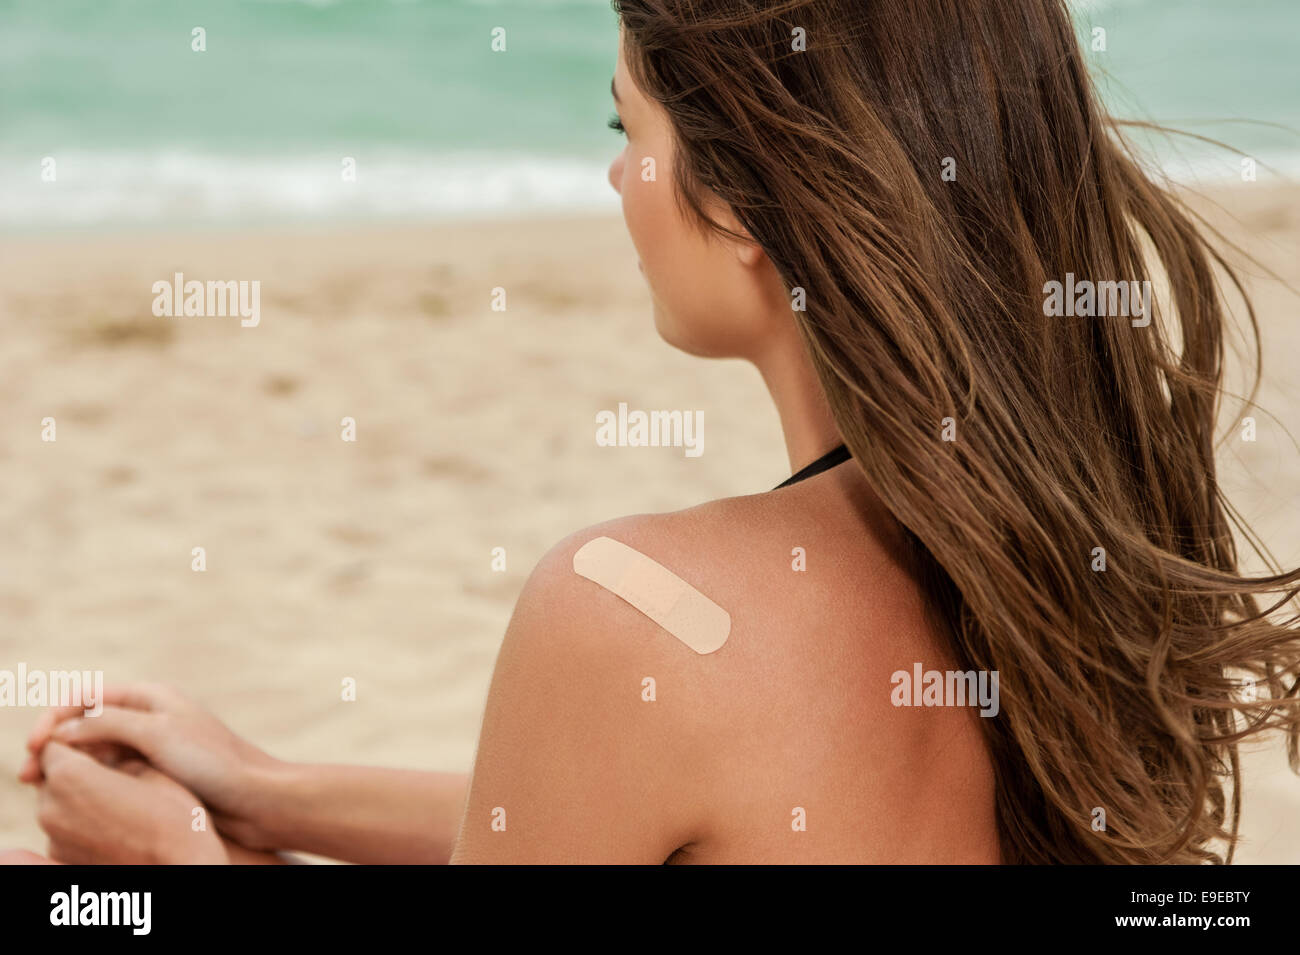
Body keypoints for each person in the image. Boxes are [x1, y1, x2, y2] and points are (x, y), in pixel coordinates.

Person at [13, 0, 1300, 865]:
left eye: (624, 130)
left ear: (740, 204)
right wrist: (264, 789)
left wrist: (170, 858)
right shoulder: (1063, 559)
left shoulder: (638, 609)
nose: (616, 179)